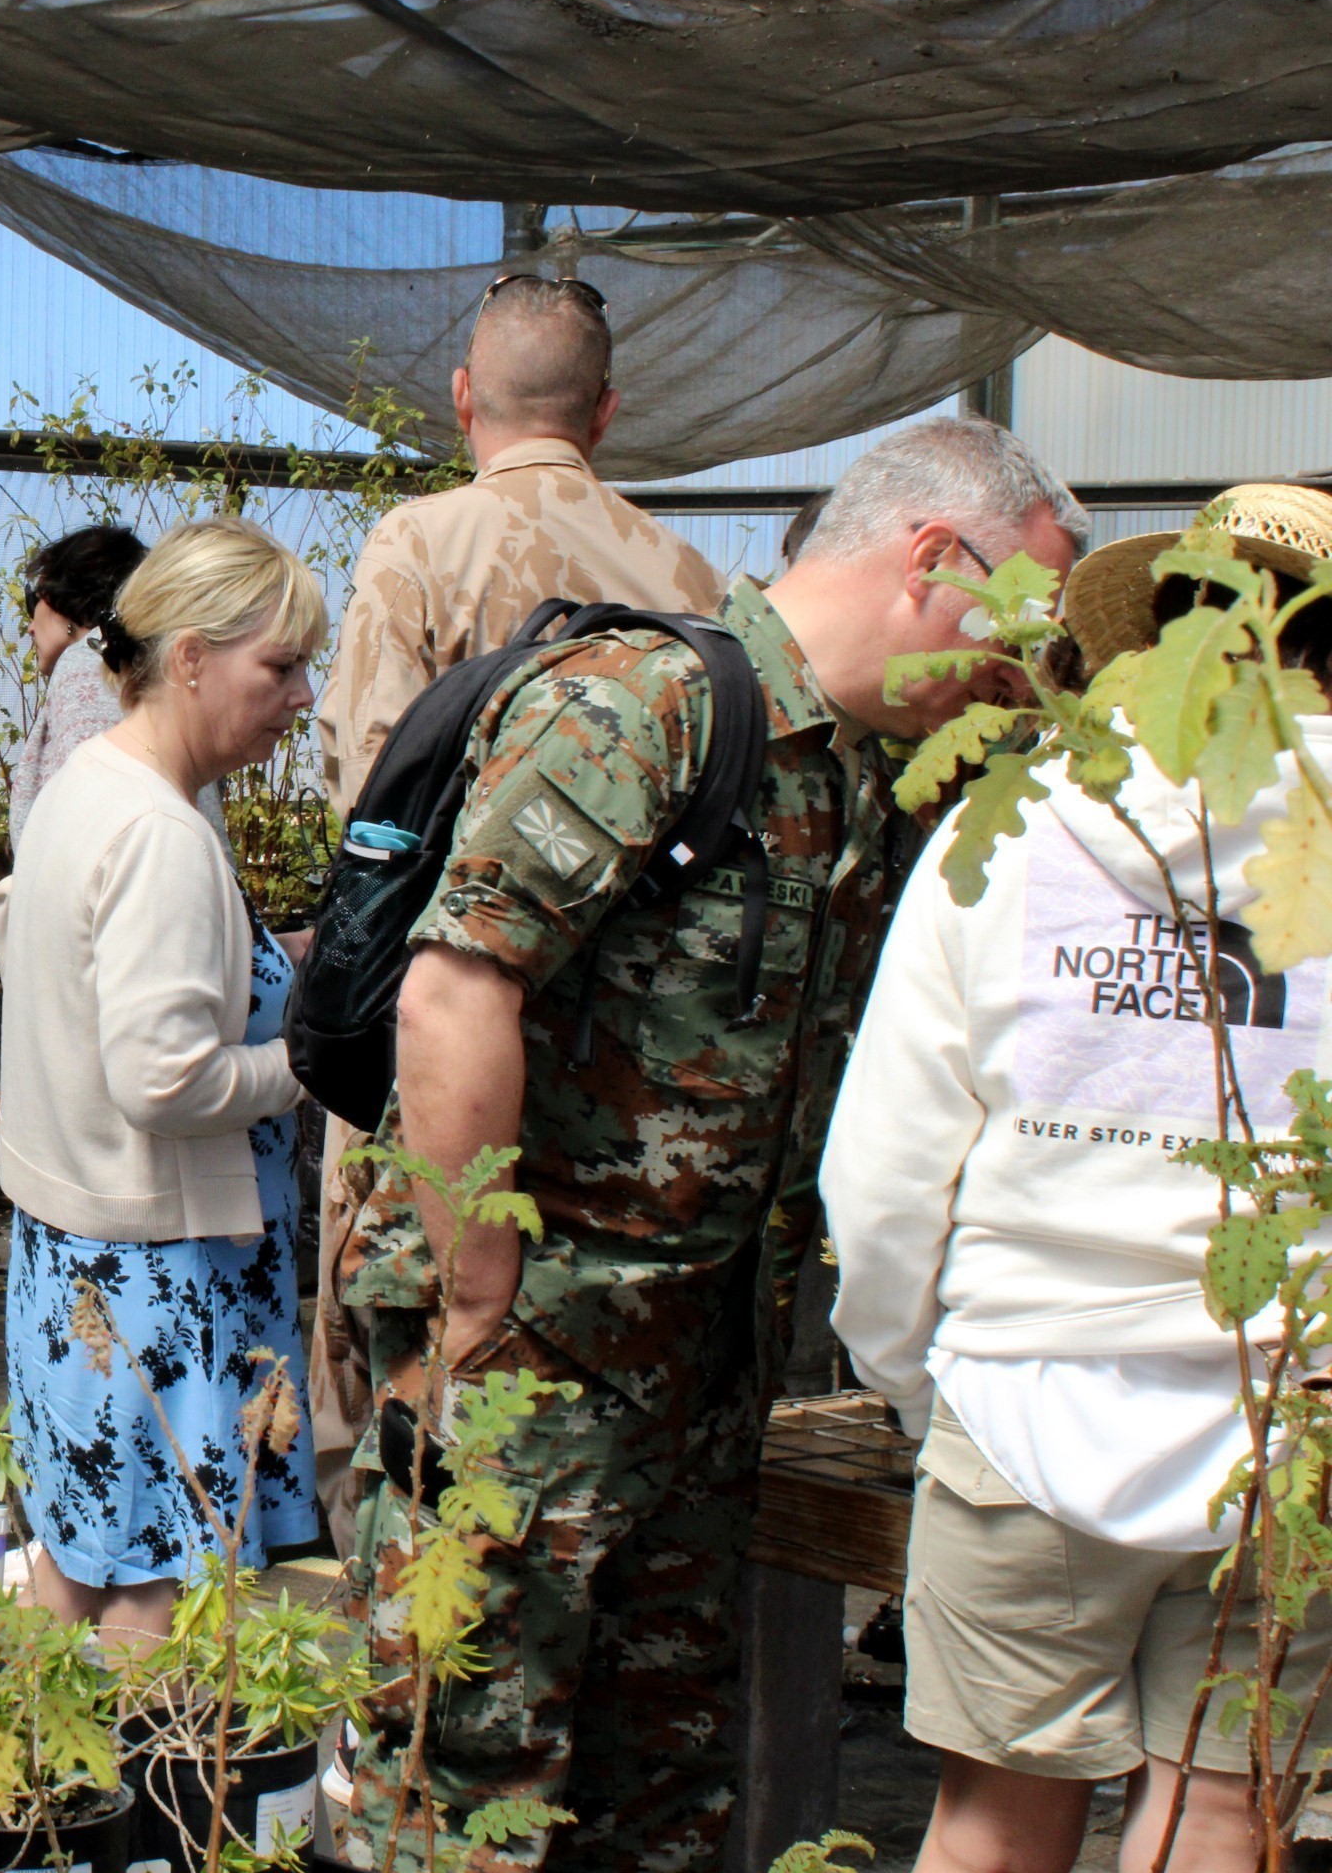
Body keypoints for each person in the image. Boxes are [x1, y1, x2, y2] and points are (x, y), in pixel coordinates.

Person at [334, 415, 1087, 1873]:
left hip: (696, 1384)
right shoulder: (650, 709)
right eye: (1025, 620)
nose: (1025, 668)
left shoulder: (863, 776)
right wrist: (475, 1300)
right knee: (460, 1789)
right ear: (935, 559)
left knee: (663, 1797)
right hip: (533, 1376)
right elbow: (454, 990)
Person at [824, 483, 1332, 1873]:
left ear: (1162, 629)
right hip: (1292, 1412)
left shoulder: (1022, 813)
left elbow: (885, 1165)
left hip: (1028, 1396)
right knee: (1224, 1813)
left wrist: (918, 1381)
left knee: (993, 1820)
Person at [308, 272, 726, 1532]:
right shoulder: (684, 570)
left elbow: (371, 800)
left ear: (461, 398)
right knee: (585, 1388)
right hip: (627, 1056)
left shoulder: (420, 545)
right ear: (605, 411)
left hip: (438, 1026)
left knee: (413, 1391)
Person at [0, 518, 327, 1643]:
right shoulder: (162, 834)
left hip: (75, 1248)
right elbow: (166, 1082)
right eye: (279, 667)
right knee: (163, 1585)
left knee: (79, 1561)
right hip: (162, 1278)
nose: (301, 696)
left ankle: (28, 1751)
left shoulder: (86, 783)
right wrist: (304, 1063)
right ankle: (153, 1763)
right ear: (190, 658)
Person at [6, 524, 154, 852]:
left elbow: (89, 819)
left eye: (33, 601)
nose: (29, 627)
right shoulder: (146, 665)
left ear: (65, 598)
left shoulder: (87, 665)